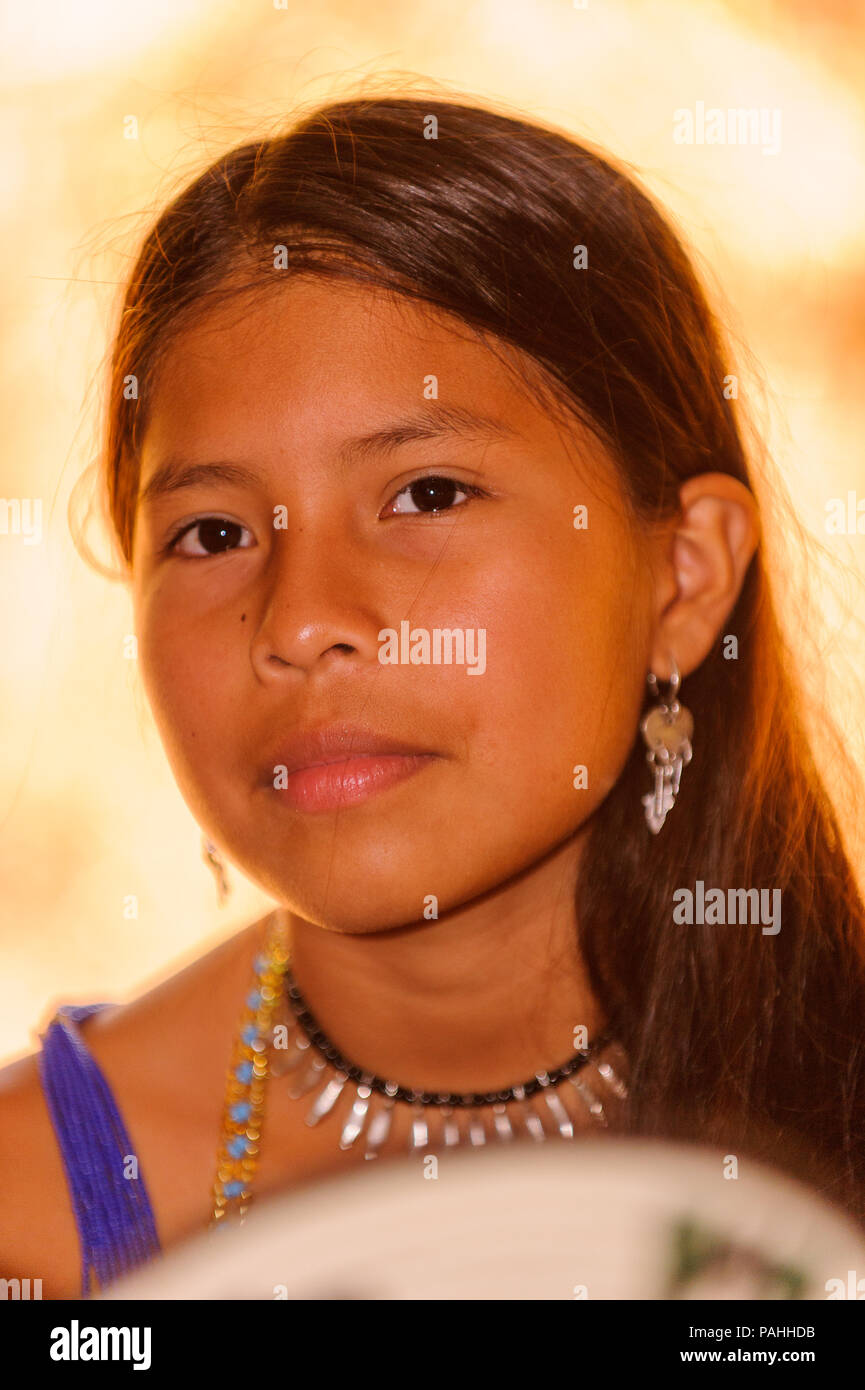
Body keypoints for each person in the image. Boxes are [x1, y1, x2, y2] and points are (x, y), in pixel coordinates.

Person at [2, 94, 864, 1301]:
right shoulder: (29, 1215)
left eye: (428, 495)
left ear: (683, 574)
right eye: (212, 531)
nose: (301, 622)